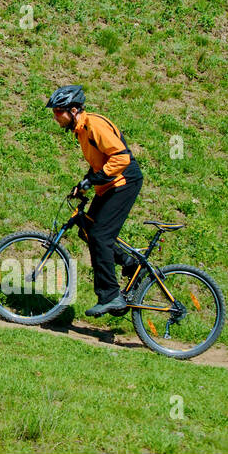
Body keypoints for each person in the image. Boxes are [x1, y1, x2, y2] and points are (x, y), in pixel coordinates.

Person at [45, 85, 144, 317]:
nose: (55, 116)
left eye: (58, 111)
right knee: (87, 230)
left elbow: (121, 158)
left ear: (74, 109)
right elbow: (100, 160)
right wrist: (85, 182)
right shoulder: (81, 130)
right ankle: (131, 264)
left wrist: (94, 179)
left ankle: (111, 296)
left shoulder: (94, 125)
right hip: (108, 185)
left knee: (100, 235)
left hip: (123, 183)